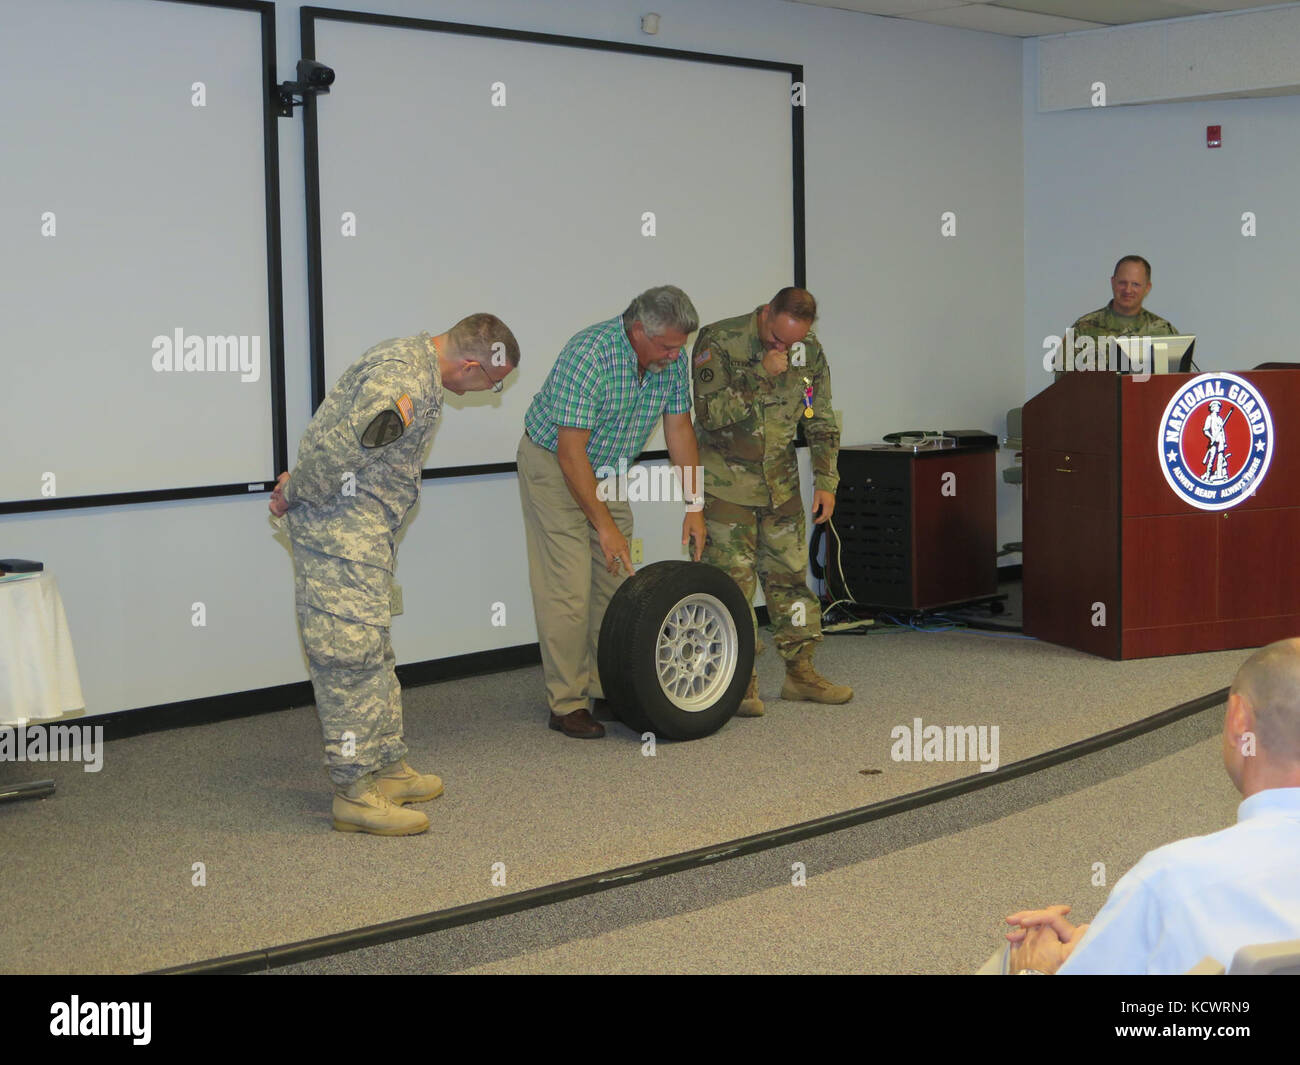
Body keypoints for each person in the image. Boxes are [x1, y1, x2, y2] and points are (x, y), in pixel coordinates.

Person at [269, 314, 520, 835]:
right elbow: (339, 452)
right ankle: (355, 792)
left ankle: (385, 766)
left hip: (363, 536)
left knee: (373, 651)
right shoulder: (404, 382)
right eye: (490, 384)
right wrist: (291, 493)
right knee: (348, 658)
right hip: (339, 536)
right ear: (472, 364)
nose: (483, 394)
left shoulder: (419, 370)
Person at [995, 637, 1300, 974]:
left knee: (1007, 961)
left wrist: (1034, 970)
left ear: (1238, 720)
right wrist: (1104, 943)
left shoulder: (1170, 880)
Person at [517, 286, 706, 739]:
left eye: (680, 346)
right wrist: (603, 525)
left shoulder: (672, 359)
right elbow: (569, 452)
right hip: (555, 465)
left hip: (610, 468)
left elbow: (679, 429)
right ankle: (566, 703)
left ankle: (606, 687)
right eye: (666, 346)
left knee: (616, 582)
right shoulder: (590, 354)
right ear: (638, 330)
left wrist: (695, 504)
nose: (675, 356)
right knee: (568, 589)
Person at [691, 287, 850, 717]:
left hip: (781, 490)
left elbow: (819, 417)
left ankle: (801, 674)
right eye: (779, 339)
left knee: (792, 586)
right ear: (767, 313)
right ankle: (738, 681)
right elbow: (708, 414)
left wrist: (825, 479)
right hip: (728, 491)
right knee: (733, 592)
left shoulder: (808, 352)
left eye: (794, 342)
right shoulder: (719, 341)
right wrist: (760, 372)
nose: (786, 349)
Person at [1060, 255, 1177, 374]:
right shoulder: (1083, 328)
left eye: (1135, 284)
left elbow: (1179, 381)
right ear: (1113, 282)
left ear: (1147, 288)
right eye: (1122, 283)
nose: (1128, 290)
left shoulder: (1164, 331)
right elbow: (1062, 382)